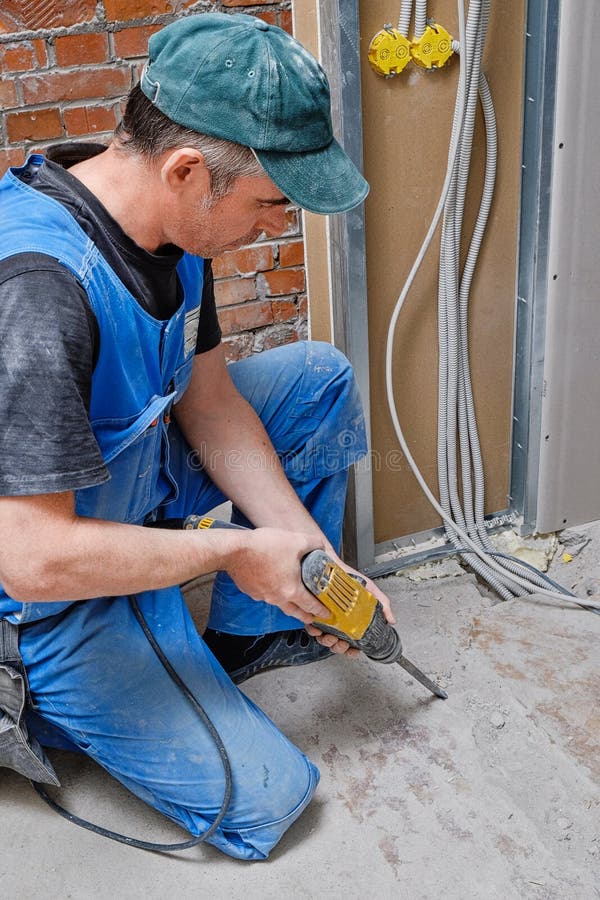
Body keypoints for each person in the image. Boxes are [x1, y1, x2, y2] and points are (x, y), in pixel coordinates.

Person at [0, 12, 394, 860]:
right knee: (266, 803)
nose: (276, 225)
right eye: (267, 203)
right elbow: (30, 556)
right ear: (187, 170)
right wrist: (227, 553)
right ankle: (34, 693)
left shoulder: (171, 226)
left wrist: (300, 546)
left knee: (316, 376)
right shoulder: (38, 292)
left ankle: (245, 636)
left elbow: (209, 404)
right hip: (43, 590)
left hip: (127, 479)